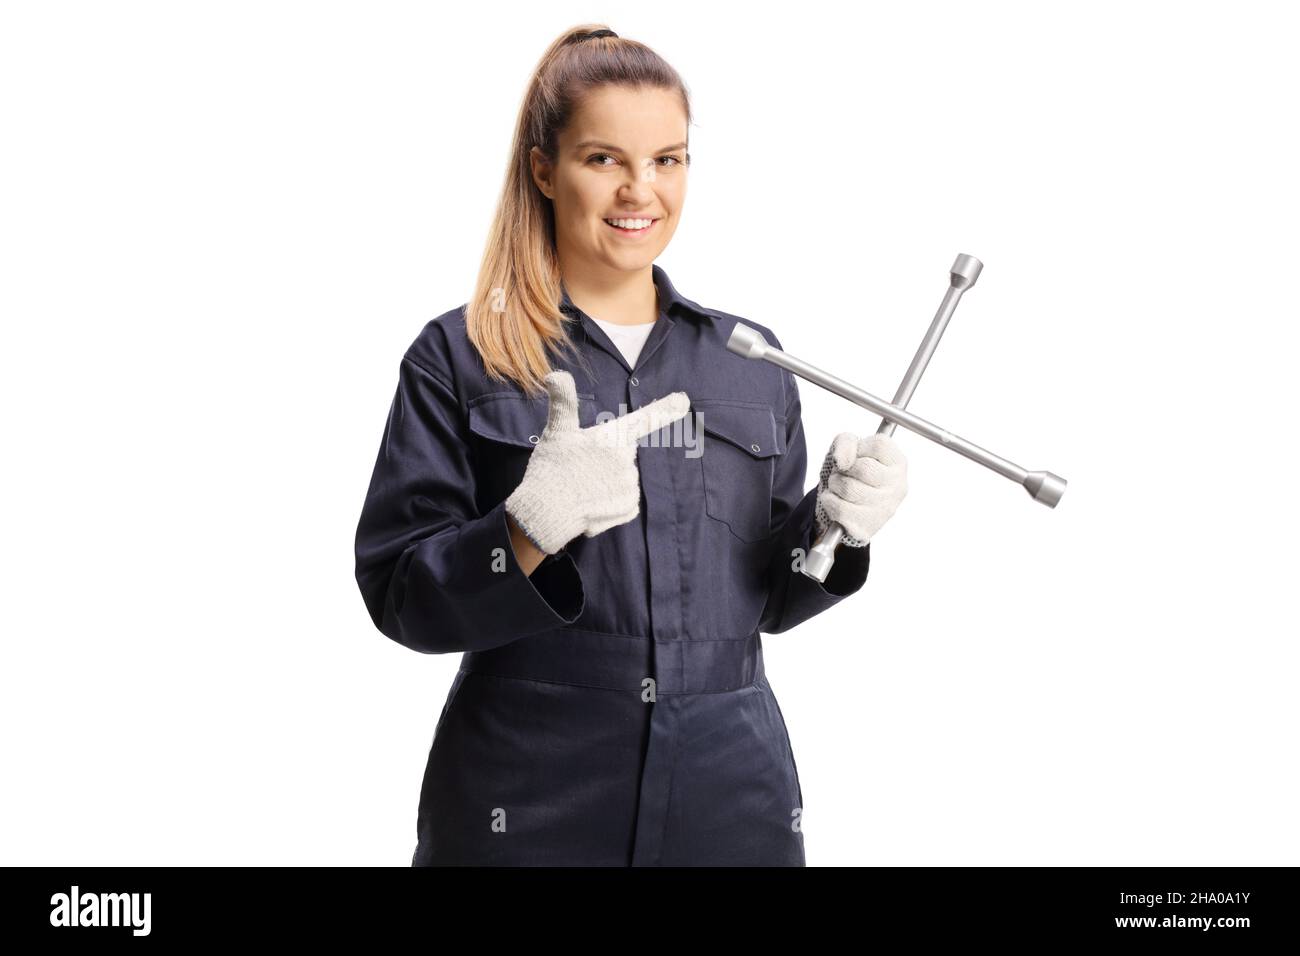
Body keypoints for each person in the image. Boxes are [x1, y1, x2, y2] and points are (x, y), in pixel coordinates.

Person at [352, 24, 908, 867]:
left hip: (731, 798)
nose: (639, 191)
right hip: (525, 799)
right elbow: (401, 599)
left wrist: (837, 533)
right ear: (544, 168)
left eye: (668, 159)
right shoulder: (460, 355)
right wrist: (527, 528)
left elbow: (766, 603)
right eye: (604, 158)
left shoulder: (751, 362)